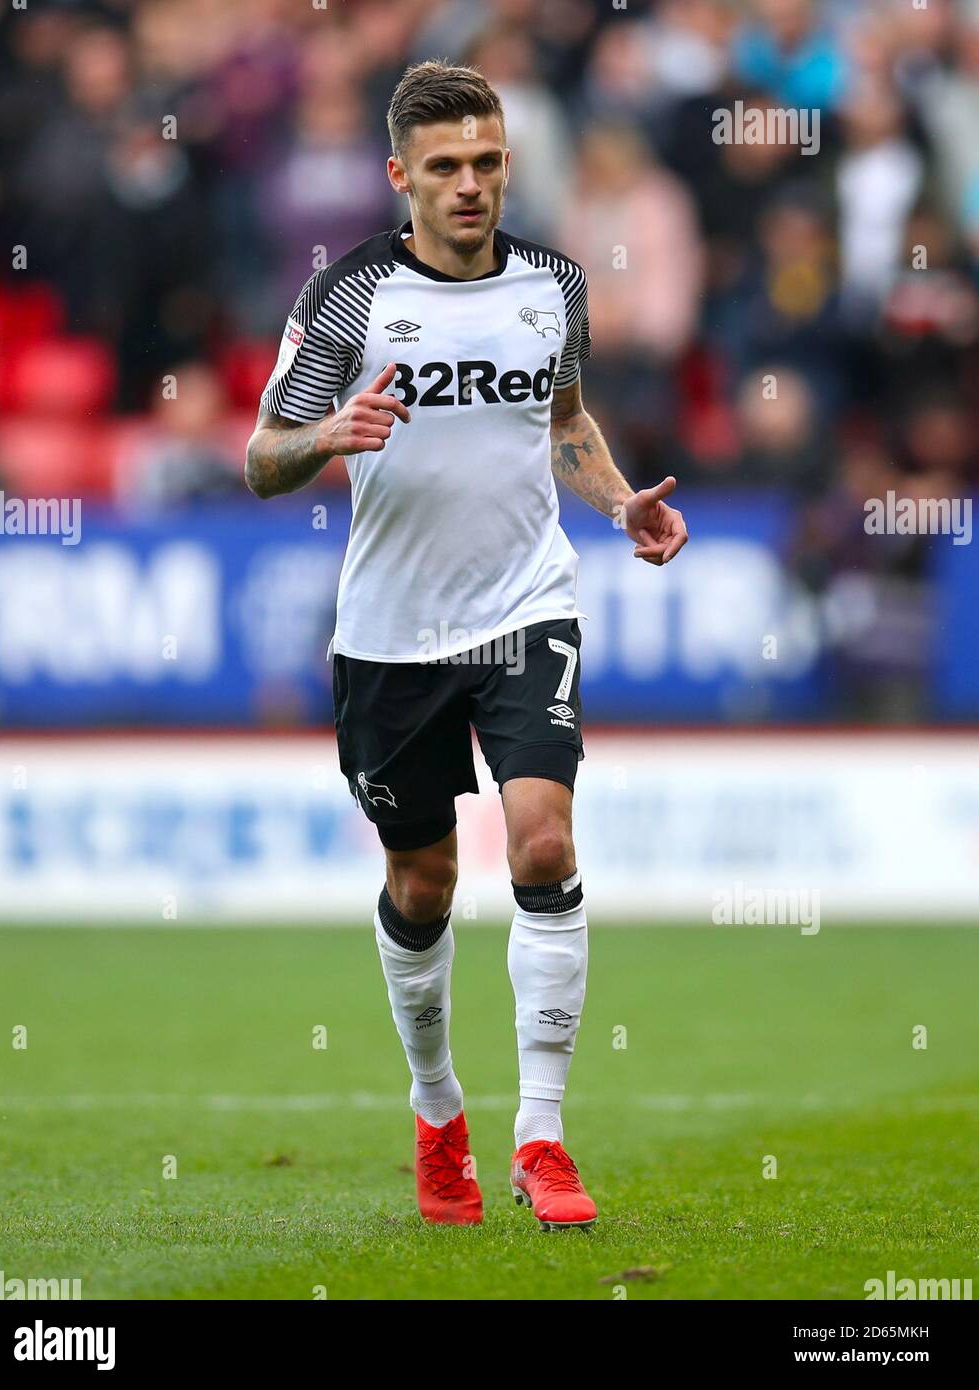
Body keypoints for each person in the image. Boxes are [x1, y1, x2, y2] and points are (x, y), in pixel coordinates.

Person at [245, 60, 688, 1230]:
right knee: (423, 878)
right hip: (391, 635)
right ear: (400, 175)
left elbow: (564, 417)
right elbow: (259, 457)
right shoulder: (346, 300)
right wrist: (330, 429)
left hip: (523, 605)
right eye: (444, 167)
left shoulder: (552, 286)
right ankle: (438, 1110)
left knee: (541, 841)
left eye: (487, 163)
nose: (470, 185)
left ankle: (540, 1135)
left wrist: (617, 502)